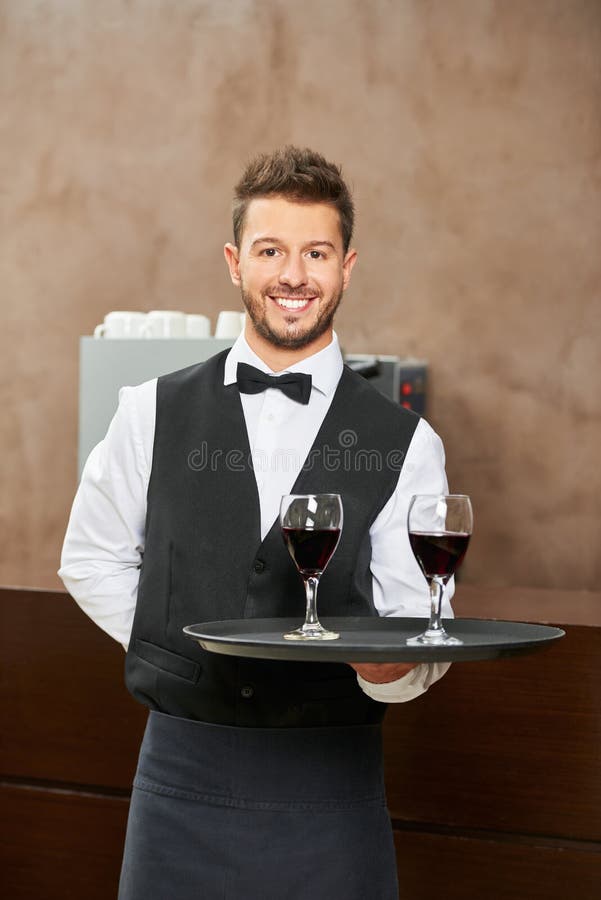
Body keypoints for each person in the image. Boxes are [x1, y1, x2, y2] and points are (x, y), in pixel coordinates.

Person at [59, 146, 453, 900]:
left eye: (316, 253)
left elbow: (416, 617)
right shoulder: (149, 410)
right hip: (180, 777)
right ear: (235, 262)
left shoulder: (407, 443)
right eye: (271, 250)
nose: (293, 275)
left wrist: (394, 673)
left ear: (346, 267)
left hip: (330, 783)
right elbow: (91, 558)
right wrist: (180, 652)